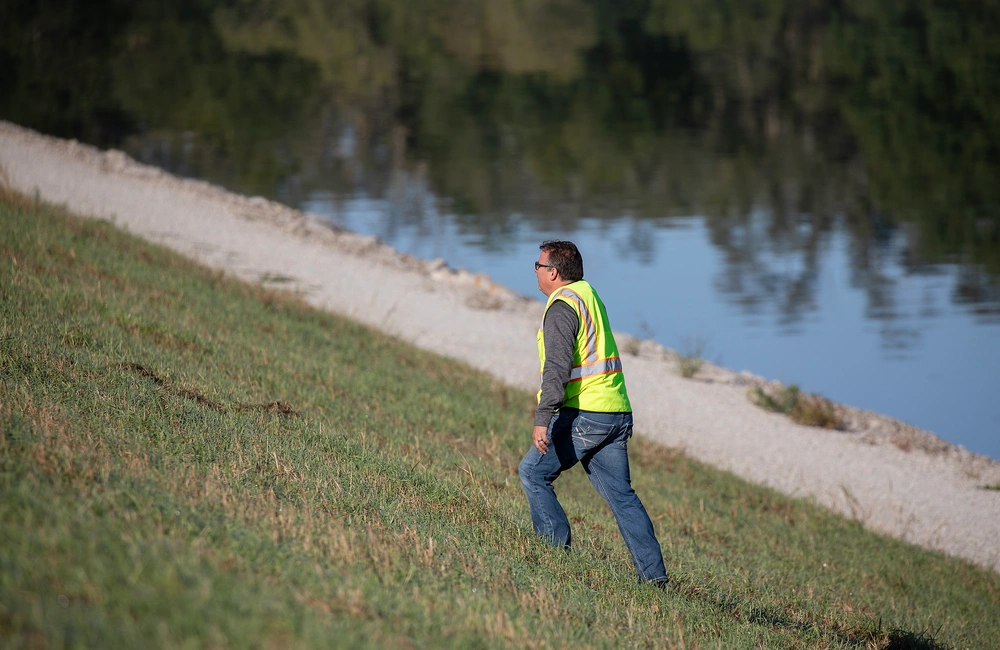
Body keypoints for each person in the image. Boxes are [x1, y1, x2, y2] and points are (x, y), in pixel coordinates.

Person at [518, 240, 669, 587]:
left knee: (533, 473)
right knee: (622, 497)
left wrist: (542, 419)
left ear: (553, 272)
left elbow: (556, 369)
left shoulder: (561, 308)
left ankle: (554, 557)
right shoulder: (588, 295)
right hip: (616, 411)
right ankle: (654, 578)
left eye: (538, 266)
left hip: (587, 414)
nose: (536, 272)